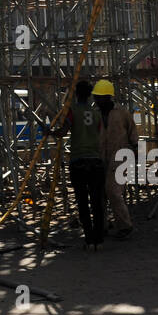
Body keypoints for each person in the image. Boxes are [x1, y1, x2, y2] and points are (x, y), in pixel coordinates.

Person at [52, 79, 106, 248]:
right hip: (96, 161)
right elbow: (98, 135)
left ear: (76, 94)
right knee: (97, 202)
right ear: (90, 95)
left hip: (78, 161)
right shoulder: (96, 113)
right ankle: (99, 239)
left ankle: (89, 239)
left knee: (82, 201)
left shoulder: (72, 111)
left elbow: (63, 132)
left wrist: (51, 132)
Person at [95, 78, 138, 239]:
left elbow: (133, 132)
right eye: (95, 97)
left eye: (99, 97)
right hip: (100, 156)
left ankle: (125, 226)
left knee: (112, 190)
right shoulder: (96, 115)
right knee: (100, 192)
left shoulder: (121, 113)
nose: (97, 101)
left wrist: (134, 149)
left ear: (108, 97)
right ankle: (103, 225)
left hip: (120, 155)